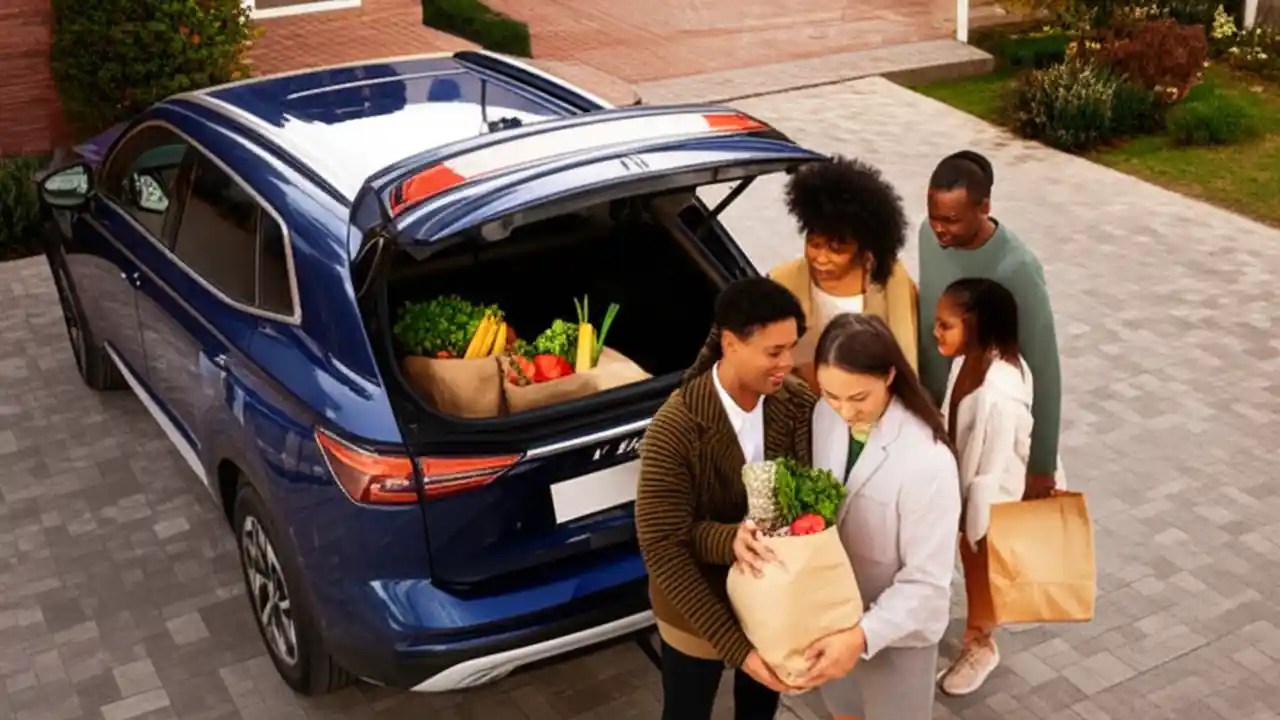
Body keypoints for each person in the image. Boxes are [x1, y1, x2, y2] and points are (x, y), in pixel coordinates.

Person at [741, 313, 959, 720]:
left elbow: (928, 586)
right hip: (831, 617)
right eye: (831, 395)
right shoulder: (825, 416)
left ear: (890, 375)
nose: (844, 411)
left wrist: (860, 636)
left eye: (859, 398)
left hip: (895, 634)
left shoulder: (928, 463)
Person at [636, 277, 818, 720]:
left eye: (791, 347)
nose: (787, 363)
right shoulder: (675, 430)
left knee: (759, 709)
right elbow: (663, 546)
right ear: (731, 344)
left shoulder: (795, 403)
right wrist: (727, 541)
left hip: (771, 601)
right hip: (697, 602)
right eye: (773, 352)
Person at [916, 150, 1062, 503]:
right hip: (935, 416)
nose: (939, 228)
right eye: (934, 216)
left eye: (951, 219)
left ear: (984, 207)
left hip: (984, 426)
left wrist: (1041, 466)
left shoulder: (1018, 268)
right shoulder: (929, 236)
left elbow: (1044, 367)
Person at [933, 278, 1034, 696]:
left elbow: (991, 468)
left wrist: (966, 519)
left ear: (974, 327)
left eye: (944, 325)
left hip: (991, 503)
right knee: (971, 565)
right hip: (966, 491)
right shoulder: (966, 360)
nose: (934, 333)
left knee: (981, 573)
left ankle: (981, 643)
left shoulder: (999, 393)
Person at [768, 155, 919, 391]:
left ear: (864, 248)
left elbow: (906, 361)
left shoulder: (891, 279)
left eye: (837, 250)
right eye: (814, 244)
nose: (821, 258)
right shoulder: (782, 281)